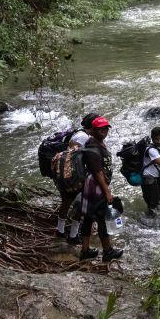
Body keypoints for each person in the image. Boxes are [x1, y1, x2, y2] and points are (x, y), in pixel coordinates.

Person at [77, 116, 123, 262]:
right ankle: (107, 251)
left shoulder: (97, 143)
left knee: (89, 219)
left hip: (92, 186)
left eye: (105, 128)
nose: (103, 131)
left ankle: (85, 251)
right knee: (102, 218)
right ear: (94, 130)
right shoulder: (93, 147)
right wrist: (107, 192)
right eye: (100, 129)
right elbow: (98, 172)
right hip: (95, 187)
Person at [51, 112, 98, 244]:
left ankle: (60, 231)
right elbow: (73, 156)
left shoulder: (79, 134)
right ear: (93, 126)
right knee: (79, 205)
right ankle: (73, 235)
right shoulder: (83, 137)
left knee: (66, 202)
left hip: (67, 174)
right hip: (75, 175)